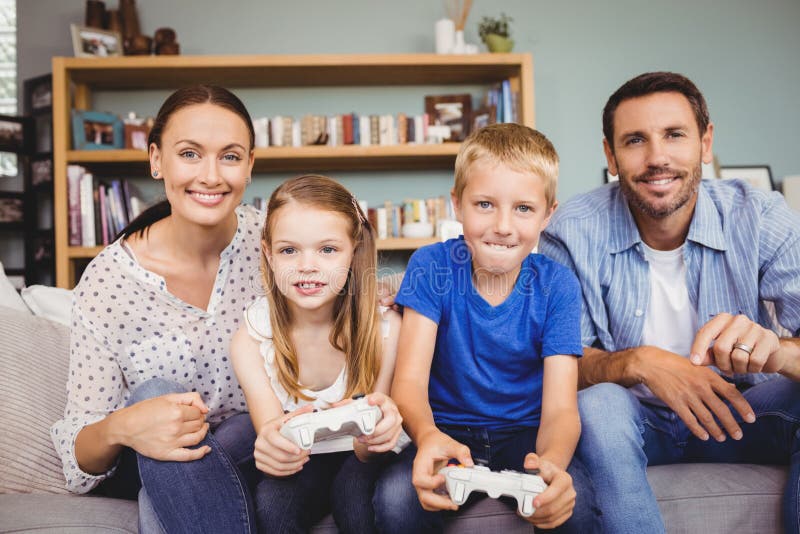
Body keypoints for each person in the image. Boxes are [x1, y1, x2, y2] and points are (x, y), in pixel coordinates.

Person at [539, 71, 800, 533]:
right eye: (635, 140)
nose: (657, 158)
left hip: (743, 411)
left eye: (674, 135)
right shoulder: (571, 231)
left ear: (705, 141)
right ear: (611, 155)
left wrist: (777, 352)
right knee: (598, 403)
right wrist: (641, 362)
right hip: (635, 424)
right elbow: (563, 363)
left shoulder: (760, 216)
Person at [51, 84, 263, 533]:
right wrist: (123, 426)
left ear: (249, 166)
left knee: (178, 483)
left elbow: (347, 287)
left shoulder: (276, 244)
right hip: (156, 461)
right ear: (155, 160)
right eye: (189, 154)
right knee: (153, 397)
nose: (211, 176)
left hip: (263, 451)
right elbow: (79, 454)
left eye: (229, 156)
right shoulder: (108, 282)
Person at [375, 123, 601, 533]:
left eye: (523, 208)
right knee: (393, 501)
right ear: (457, 204)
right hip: (446, 432)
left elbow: (561, 409)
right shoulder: (431, 266)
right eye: (484, 205)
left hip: (526, 435)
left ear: (548, 214)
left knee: (576, 506)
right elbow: (407, 382)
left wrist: (548, 465)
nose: (502, 225)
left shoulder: (558, 285)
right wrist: (427, 436)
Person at [230, 174, 404, 533]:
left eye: (327, 249)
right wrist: (271, 450)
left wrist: (374, 437)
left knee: (353, 496)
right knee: (272, 503)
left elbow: (372, 446)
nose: (307, 265)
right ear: (268, 254)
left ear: (353, 251)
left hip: (362, 455)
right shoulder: (251, 338)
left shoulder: (385, 328)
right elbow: (273, 436)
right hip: (303, 457)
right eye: (289, 250)